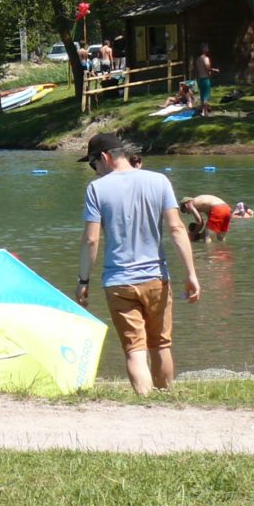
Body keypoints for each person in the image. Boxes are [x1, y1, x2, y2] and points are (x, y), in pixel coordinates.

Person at [76, 133, 200, 395]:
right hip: (156, 277)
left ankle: (145, 402)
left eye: (93, 164)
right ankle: (166, 397)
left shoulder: (96, 189)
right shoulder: (159, 181)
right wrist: (191, 273)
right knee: (161, 345)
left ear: (105, 158)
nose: (94, 171)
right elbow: (177, 228)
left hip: (118, 282)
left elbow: (91, 240)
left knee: (135, 350)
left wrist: (83, 280)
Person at [195, 43, 217, 117]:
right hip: (205, 79)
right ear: (203, 49)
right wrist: (214, 69)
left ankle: (202, 111)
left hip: (200, 79)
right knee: (206, 96)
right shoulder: (206, 58)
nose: (208, 49)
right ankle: (205, 113)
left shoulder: (198, 59)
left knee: (202, 95)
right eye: (207, 48)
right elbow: (207, 67)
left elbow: (198, 69)